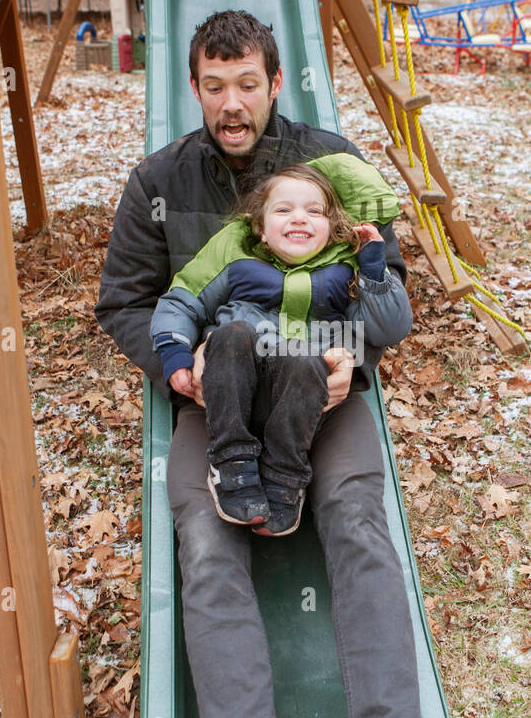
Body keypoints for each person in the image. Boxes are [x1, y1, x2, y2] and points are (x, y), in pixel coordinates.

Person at [96, 10, 428, 718]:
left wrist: (351, 354)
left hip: (323, 386)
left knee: (354, 512)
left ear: (275, 82)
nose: (232, 105)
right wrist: (185, 368)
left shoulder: (333, 163)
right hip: (216, 403)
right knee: (207, 542)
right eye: (215, 88)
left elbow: (388, 281)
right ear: (195, 88)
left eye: (248, 84)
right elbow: (124, 304)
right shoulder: (159, 181)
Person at [150, 157, 412, 537]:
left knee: (304, 357)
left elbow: (388, 329)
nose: (299, 218)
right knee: (232, 335)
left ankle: (284, 476)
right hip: (234, 392)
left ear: (333, 227)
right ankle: (231, 463)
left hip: (304, 404)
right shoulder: (238, 259)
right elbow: (181, 301)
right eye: (284, 210)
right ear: (259, 228)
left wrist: (372, 271)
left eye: (314, 211)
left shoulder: (344, 271)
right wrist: (175, 353)